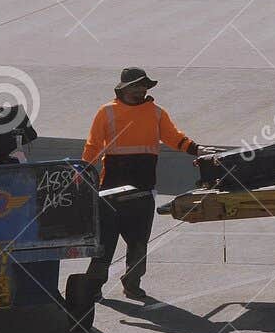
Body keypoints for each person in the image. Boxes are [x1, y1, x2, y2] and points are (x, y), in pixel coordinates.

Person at [81, 68, 214, 299]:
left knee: (139, 242)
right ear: (123, 88)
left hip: (143, 190)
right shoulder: (107, 112)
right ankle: (93, 287)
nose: (141, 90)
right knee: (105, 243)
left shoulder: (156, 113)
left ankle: (132, 283)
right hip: (110, 191)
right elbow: (92, 147)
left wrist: (197, 149)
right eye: (136, 86)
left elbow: (174, 137)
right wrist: (81, 174)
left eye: (144, 86)